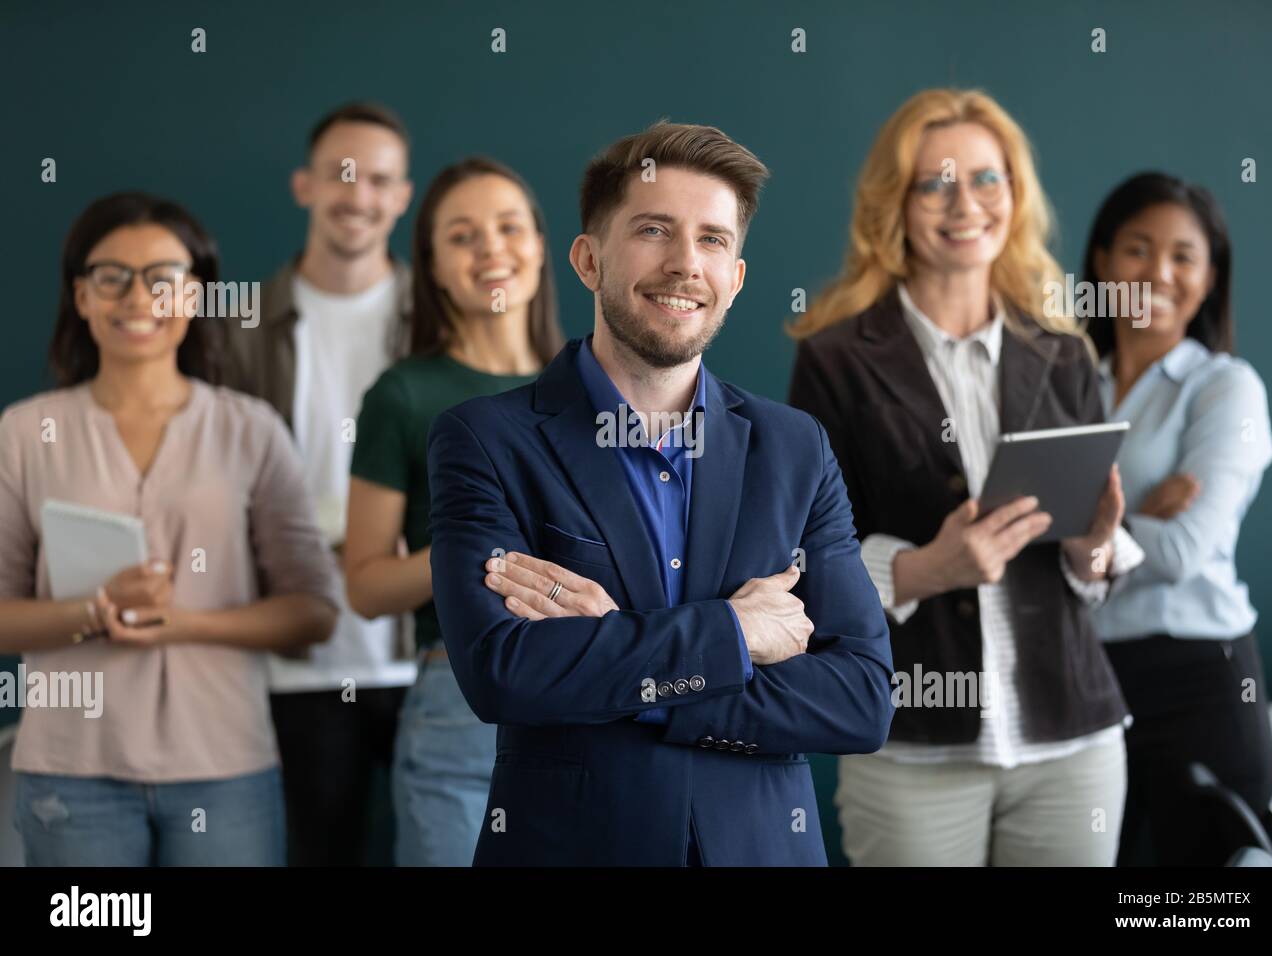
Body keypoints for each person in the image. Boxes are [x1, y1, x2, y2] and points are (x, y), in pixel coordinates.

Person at [426, 121, 894, 866]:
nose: (685, 264)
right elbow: (506, 674)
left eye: (713, 240)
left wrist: (623, 654)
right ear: (587, 259)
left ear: (735, 277)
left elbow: (861, 700)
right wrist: (733, 635)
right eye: (653, 230)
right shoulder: (483, 440)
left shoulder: (795, 446)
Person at [788, 89, 1143, 866]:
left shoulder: (1064, 349)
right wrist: (928, 569)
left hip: (1071, 740)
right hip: (910, 746)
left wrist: (1095, 546)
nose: (966, 203)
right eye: (935, 182)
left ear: (1015, 195)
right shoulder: (835, 360)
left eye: (987, 179)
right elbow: (805, 564)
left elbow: (1093, 568)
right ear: (897, 205)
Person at [0, 193, 338, 866]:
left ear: (197, 295)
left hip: (224, 763)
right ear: (82, 295)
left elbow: (314, 611)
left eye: (163, 277)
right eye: (111, 276)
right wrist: (93, 612)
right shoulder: (25, 433)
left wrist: (185, 624)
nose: (137, 296)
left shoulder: (250, 429)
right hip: (71, 771)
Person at [344, 156, 565, 866]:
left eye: (509, 228)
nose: (491, 249)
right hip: (461, 693)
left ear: (541, 244)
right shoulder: (404, 395)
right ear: (433, 268)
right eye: (463, 236)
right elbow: (366, 585)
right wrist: (480, 552)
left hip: (600, 683)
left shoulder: (603, 382)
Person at [223, 102, 417, 866]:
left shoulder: (437, 321)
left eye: (379, 179)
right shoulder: (235, 329)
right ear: (304, 185)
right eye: (341, 174)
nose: (358, 194)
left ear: (402, 196)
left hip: (427, 653)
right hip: (289, 660)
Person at [1083, 172, 1272, 866]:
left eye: (1183, 256)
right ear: (1102, 261)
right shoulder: (1069, 382)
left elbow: (1187, 548)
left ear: (1210, 276)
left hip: (1202, 685)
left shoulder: (1226, 387)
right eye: (1137, 249)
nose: (1157, 273)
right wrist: (1136, 511)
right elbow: (1029, 540)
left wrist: (1091, 521)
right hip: (1087, 681)